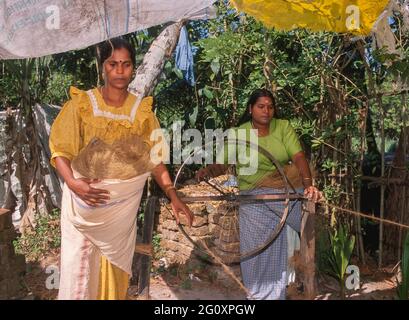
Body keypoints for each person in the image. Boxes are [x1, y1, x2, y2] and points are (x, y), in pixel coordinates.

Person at [49, 37, 193, 300]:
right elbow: (61, 151)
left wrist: (173, 194)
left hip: (120, 216)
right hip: (82, 209)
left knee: (114, 275)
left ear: (133, 68)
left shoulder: (143, 114)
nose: (119, 70)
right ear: (102, 67)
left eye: (126, 64)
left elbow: (155, 159)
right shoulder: (81, 106)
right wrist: (72, 182)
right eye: (112, 64)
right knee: (79, 274)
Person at [196, 88, 321, 300]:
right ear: (250, 109)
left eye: (270, 107)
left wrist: (308, 185)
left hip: (285, 194)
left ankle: (292, 288)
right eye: (261, 106)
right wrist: (208, 171)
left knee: (304, 224)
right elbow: (222, 163)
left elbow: (299, 157)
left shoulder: (283, 127)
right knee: (256, 251)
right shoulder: (239, 133)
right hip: (253, 198)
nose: (266, 111)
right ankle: (258, 297)